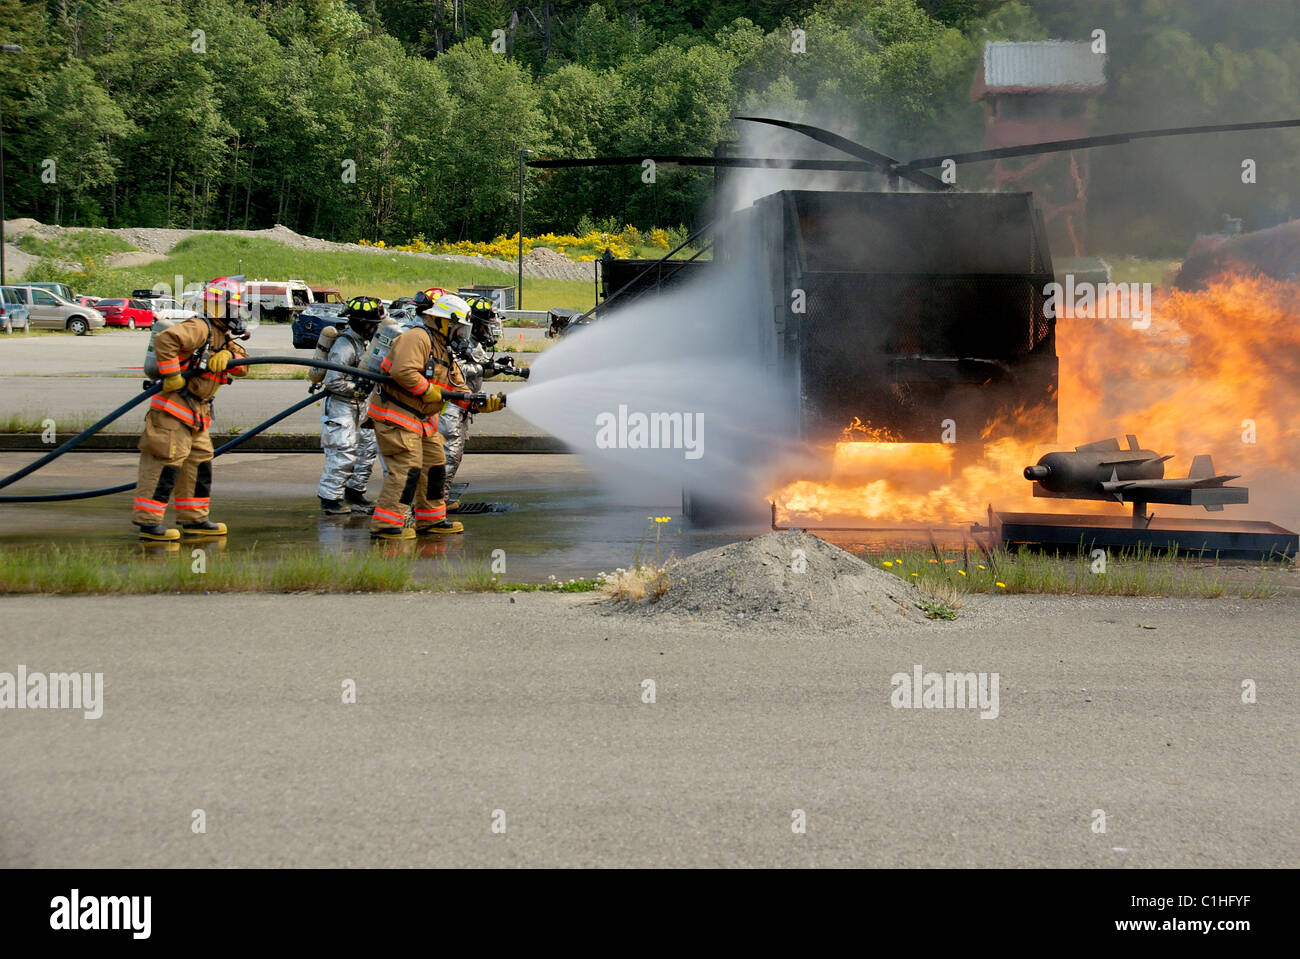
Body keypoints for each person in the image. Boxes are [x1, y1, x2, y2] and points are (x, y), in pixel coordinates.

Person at [366, 291, 504, 540]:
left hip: (421, 422)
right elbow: (403, 371)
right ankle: (386, 525)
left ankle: (430, 520)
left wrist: (480, 404)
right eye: (459, 328)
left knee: (435, 466)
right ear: (443, 322)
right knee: (407, 469)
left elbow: (456, 386)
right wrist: (430, 391)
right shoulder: (417, 338)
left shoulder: (443, 349)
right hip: (396, 416)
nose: (462, 335)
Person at [132, 277, 249, 542]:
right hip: (173, 412)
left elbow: (245, 365)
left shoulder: (221, 335)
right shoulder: (200, 327)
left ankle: (194, 518)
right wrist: (172, 375)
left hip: (197, 416)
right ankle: (149, 523)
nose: (238, 313)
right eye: (234, 307)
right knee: (166, 464)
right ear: (222, 307)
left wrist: (230, 357)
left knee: (199, 464)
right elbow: (165, 341)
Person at [439, 295, 508, 510]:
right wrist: (485, 367)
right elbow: (456, 369)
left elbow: (478, 369)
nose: (488, 331)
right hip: (450, 406)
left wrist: (497, 366)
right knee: (449, 454)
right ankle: (436, 500)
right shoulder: (459, 340)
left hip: (463, 406)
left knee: (454, 454)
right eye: (485, 326)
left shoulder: (473, 343)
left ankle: (440, 498)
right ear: (475, 324)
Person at [317, 296, 382, 514]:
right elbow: (333, 381)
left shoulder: (364, 343)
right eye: (374, 325)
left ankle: (355, 491)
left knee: (367, 448)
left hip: (360, 405)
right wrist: (356, 387)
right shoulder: (344, 345)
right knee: (343, 451)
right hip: (341, 406)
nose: (376, 329)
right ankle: (330, 498)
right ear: (363, 324)